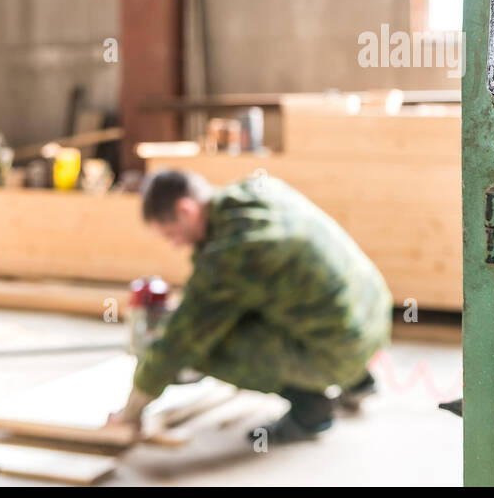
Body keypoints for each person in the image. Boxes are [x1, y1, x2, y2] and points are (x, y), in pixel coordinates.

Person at [109, 169, 392, 443]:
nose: (175, 244)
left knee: (204, 347)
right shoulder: (258, 191)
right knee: (263, 307)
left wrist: (130, 412)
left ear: (186, 210)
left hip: (342, 349)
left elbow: (177, 345)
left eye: (172, 234)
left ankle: (310, 409)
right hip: (372, 319)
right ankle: (358, 380)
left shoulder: (231, 253)